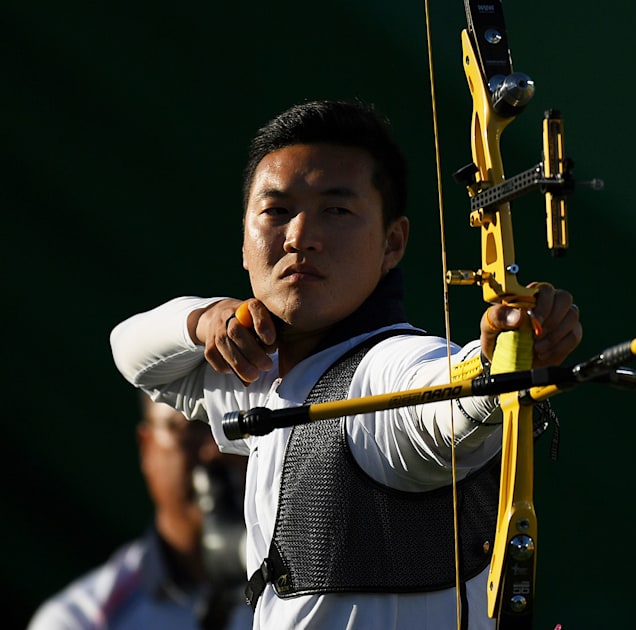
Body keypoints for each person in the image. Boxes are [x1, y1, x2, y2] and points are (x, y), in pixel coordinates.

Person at [108, 99, 583, 629]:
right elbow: (132, 353)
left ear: (392, 243)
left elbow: (437, 407)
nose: (299, 237)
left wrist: (493, 366)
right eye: (276, 210)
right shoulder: (258, 373)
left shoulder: (388, 368)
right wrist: (201, 321)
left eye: (336, 210)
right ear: (244, 239)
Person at [28, 393, 252, 630]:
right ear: (146, 446)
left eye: (234, 425)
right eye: (193, 426)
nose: (215, 449)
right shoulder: (80, 621)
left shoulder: (290, 579)